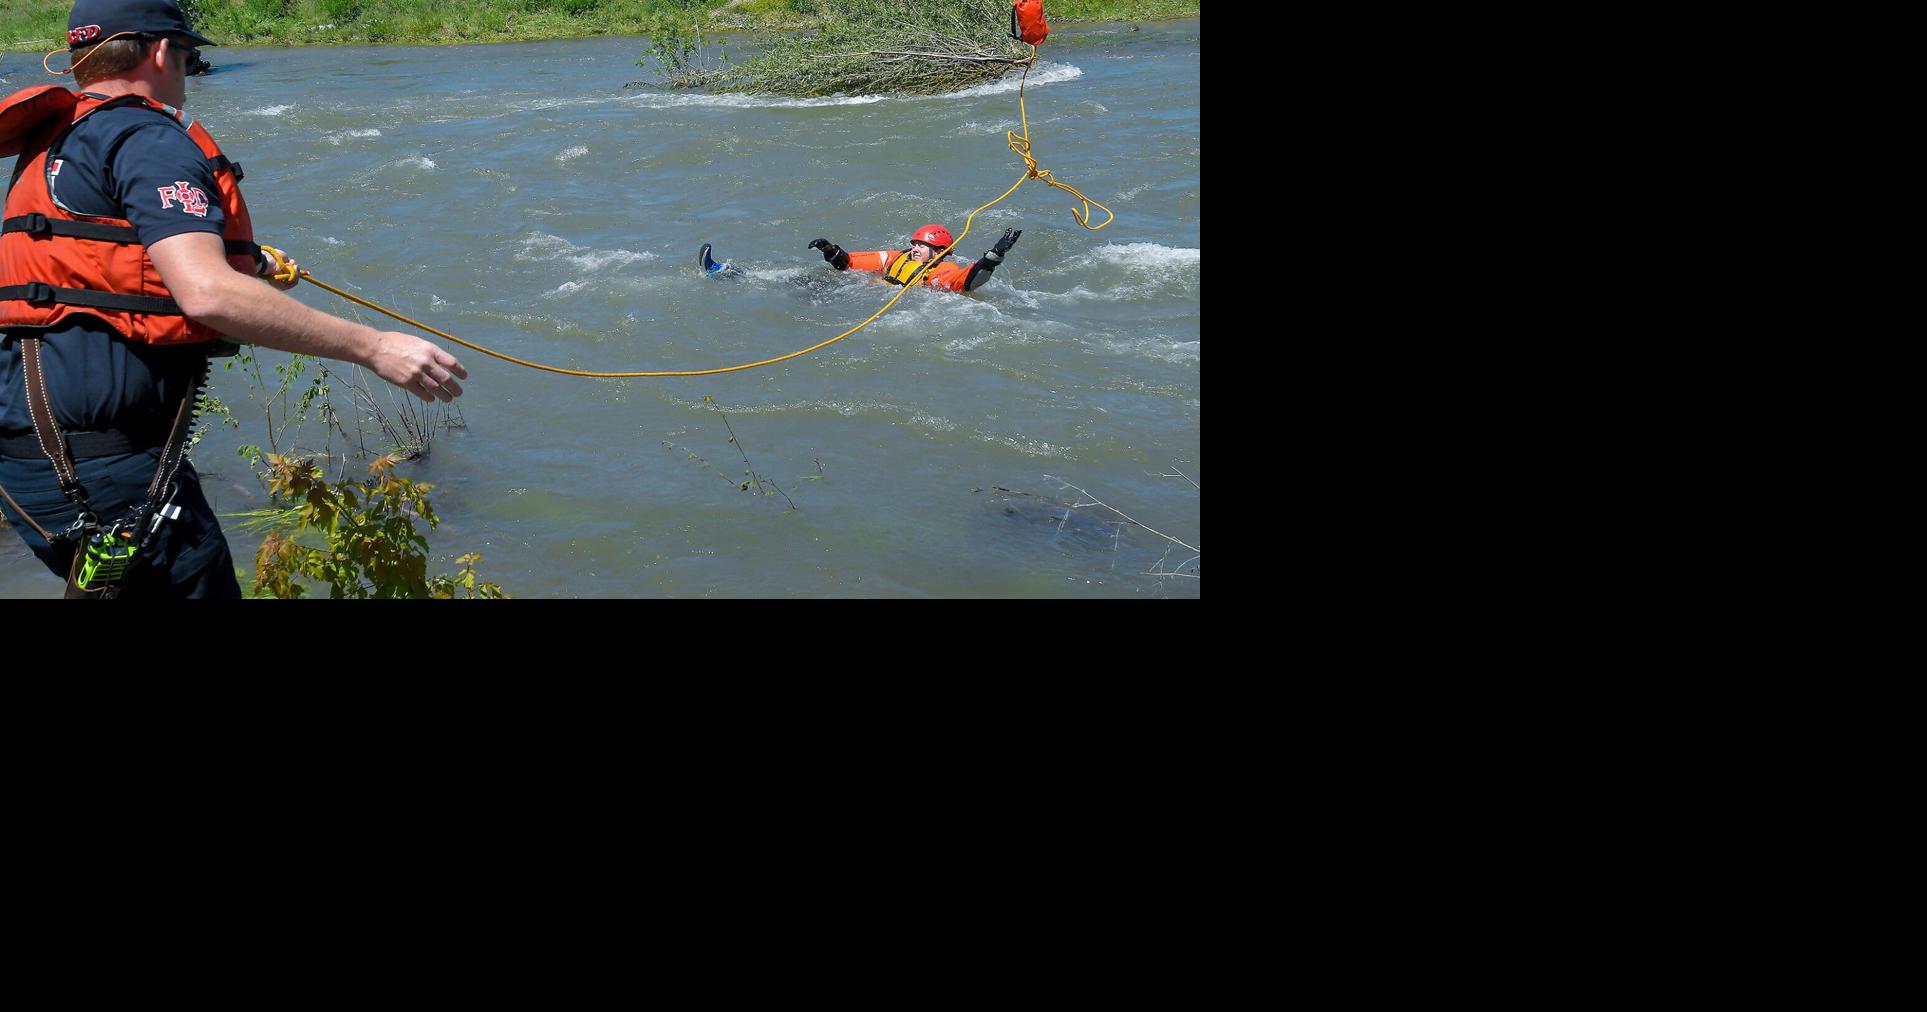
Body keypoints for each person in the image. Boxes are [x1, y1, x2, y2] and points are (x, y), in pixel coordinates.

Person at [0, 0, 468, 598]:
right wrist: (375, 347)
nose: (189, 73)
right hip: (105, 470)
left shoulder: (64, 135)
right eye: (190, 58)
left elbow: (101, 262)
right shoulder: (148, 137)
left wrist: (243, 263)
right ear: (163, 51)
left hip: (33, 460)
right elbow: (206, 294)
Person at [809, 224, 1022, 293]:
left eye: (923, 245)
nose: (916, 248)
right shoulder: (897, 257)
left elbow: (965, 282)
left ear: (939, 251)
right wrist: (831, 252)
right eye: (915, 244)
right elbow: (851, 263)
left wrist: (993, 257)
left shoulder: (939, 269)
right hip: (866, 289)